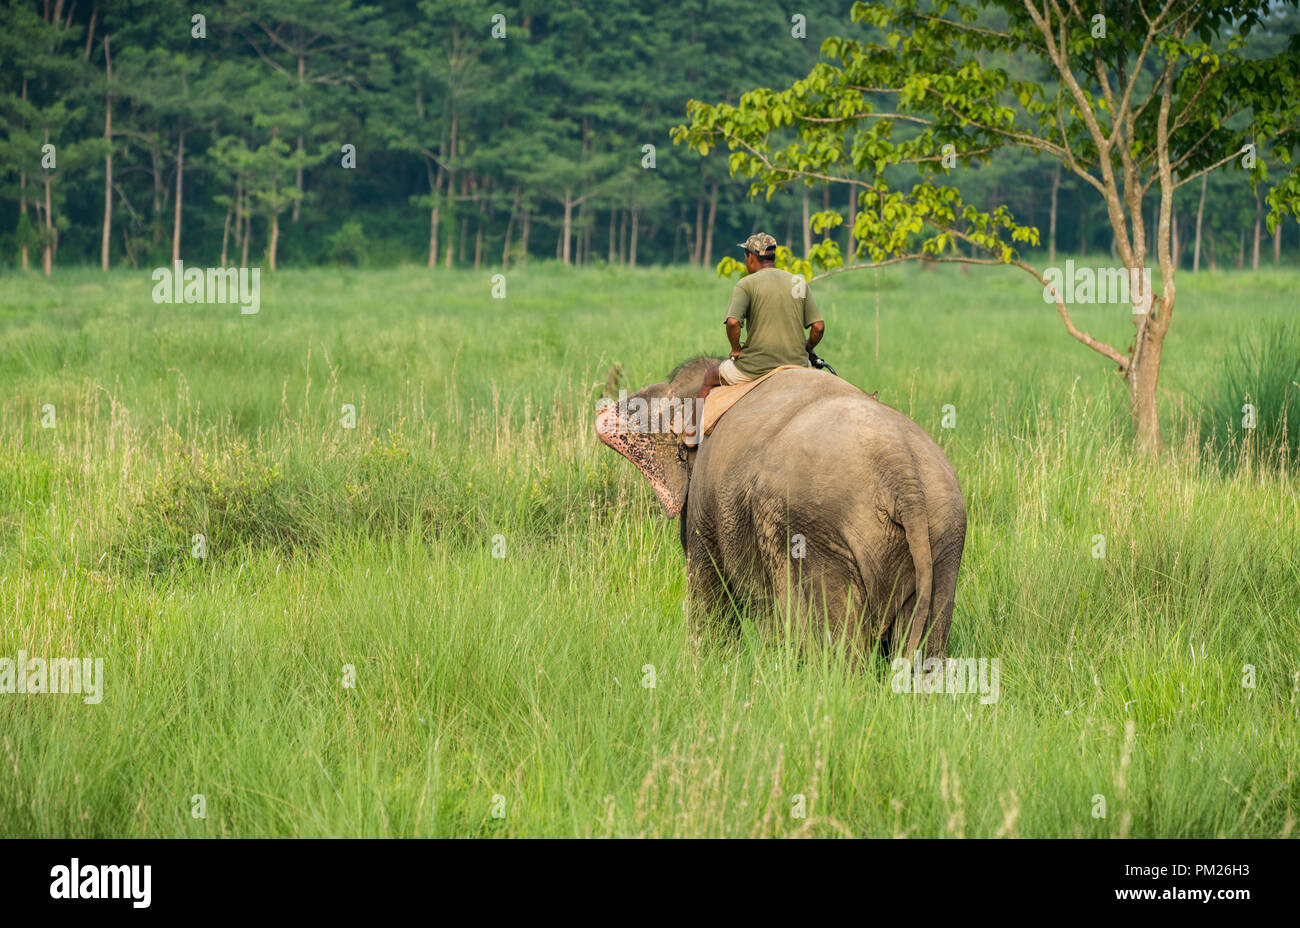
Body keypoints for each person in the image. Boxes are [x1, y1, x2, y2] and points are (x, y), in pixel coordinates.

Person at [685, 233, 824, 446]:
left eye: (745, 255)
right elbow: (818, 326)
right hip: (797, 364)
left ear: (750, 257)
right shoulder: (798, 281)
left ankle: (691, 436)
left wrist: (736, 349)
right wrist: (807, 348)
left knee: (709, 377)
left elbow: (732, 323)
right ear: (772, 257)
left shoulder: (746, 284)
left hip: (756, 367)